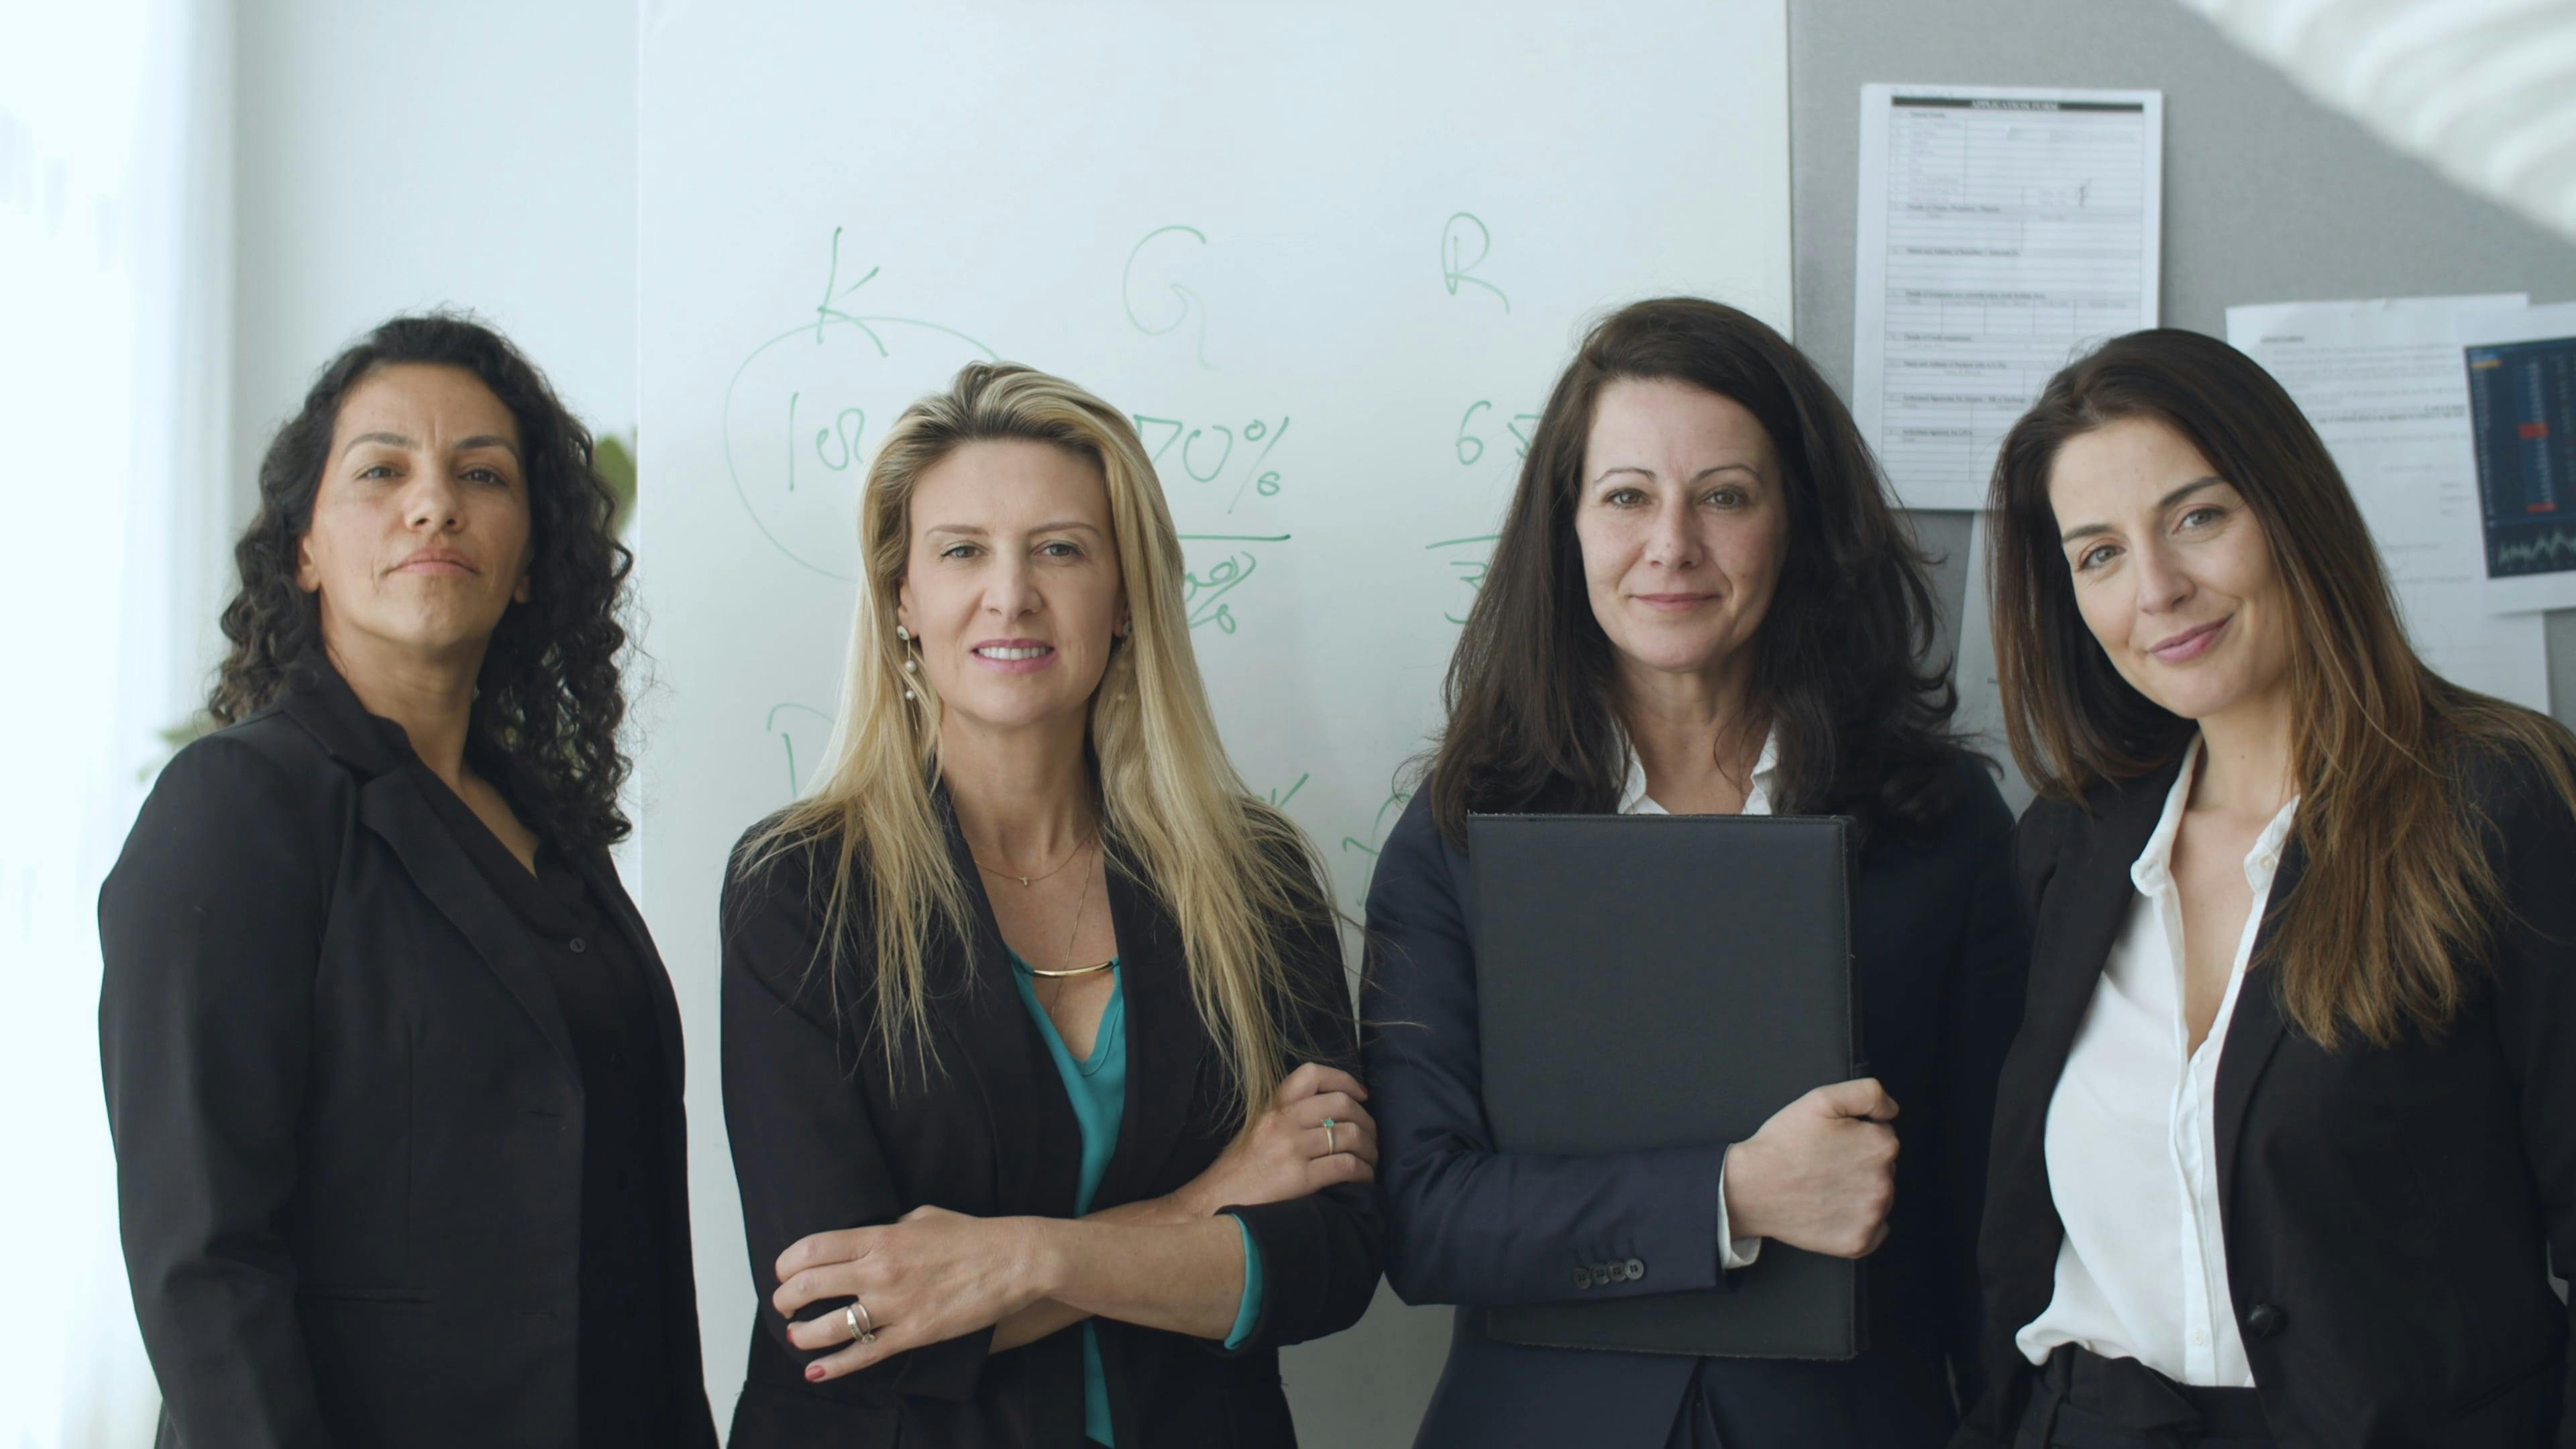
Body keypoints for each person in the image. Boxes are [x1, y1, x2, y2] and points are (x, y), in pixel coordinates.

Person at [1363, 296, 2025, 1448]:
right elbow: (1426, 1221)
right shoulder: (1462, 835)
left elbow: (1996, 1212)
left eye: (1724, 495)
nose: (1671, 544)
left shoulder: (1941, 824)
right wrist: (1732, 1195)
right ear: (1566, 527)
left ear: (1798, 524)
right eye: (1627, 496)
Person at [720, 362, 1383, 1448]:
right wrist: (1203, 1206)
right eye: (963, 550)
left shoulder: (1254, 880)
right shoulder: (802, 889)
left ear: (1124, 597)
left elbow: (1335, 1262)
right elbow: (839, 1318)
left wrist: (1017, 1260)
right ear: (903, 598)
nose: (1011, 593)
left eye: (1061, 549)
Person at [98, 314, 716, 1448]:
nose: (434, 503)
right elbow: (204, 1259)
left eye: (481, 475)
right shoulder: (237, 809)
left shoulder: (551, 828)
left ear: (530, 558)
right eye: (383, 470)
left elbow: (630, 1226)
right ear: (304, 549)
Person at [1956, 329, 2576, 1448]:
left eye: (2197, 516)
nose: (2158, 589)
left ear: (2290, 511)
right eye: (2098, 555)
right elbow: (2018, 1235)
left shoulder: (2499, 801)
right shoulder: (2071, 844)